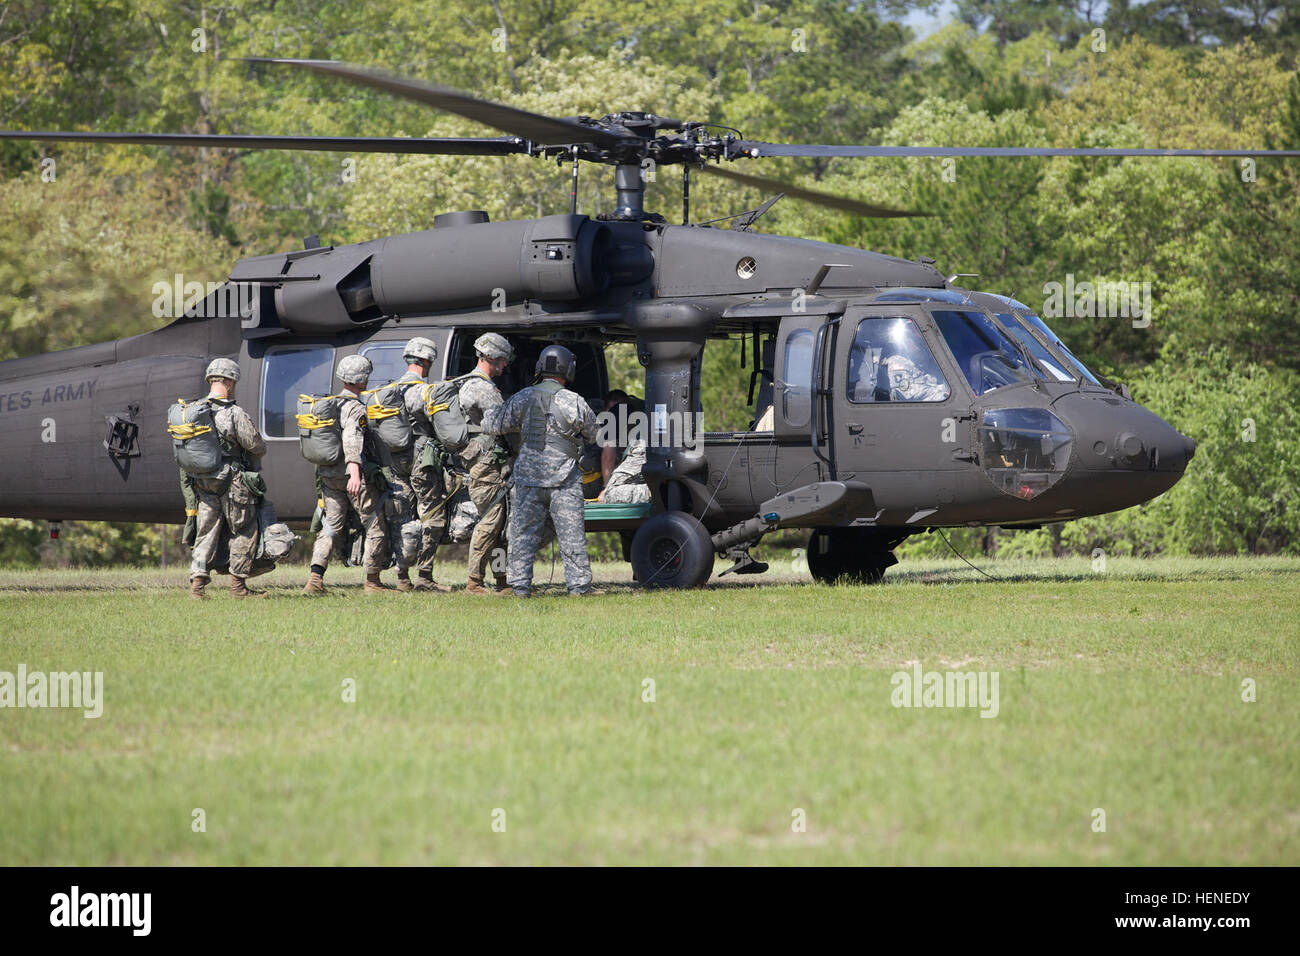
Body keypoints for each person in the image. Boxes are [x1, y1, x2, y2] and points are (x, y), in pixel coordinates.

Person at [485, 344, 599, 597]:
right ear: (567, 369)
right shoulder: (574, 401)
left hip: (527, 479)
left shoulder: (523, 397)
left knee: (522, 535)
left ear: (540, 368)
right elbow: (593, 434)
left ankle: (520, 587)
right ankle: (579, 588)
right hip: (565, 480)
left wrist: (493, 405)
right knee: (572, 535)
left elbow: (494, 425)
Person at [302, 354, 393, 596]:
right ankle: (372, 583)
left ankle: (315, 580)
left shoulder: (330, 405)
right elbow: (352, 438)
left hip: (328, 475)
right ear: (362, 379)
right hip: (351, 474)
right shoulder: (354, 407)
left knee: (330, 526)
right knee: (375, 524)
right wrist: (354, 472)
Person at [187, 358, 267, 600]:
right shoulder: (233, 413)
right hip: (231, 481)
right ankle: (238, 587)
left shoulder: (193, 412)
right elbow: (256, 445)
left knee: (206, 530)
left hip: (203, 480)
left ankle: (197, 587)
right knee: (244, 529)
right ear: (230, 382)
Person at [380, 336, 454, 592]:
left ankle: (402, 577)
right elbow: (443, 427)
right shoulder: (423, 391)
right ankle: (424, 576)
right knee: (432, 514)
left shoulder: (389, 391)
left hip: (394, 462)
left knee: (403, 516)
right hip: (422, 460)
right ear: (427, 360)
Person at [457, 332, 513, 595]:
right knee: (490, 520)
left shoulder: (472, 385)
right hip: (487, 465)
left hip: (487, 464)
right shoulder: (483, 388)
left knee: (498, 523)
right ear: (490, 357)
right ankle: (474, 582)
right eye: (501, 360)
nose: (504, 366)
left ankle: (501, 581)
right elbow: (500, 425)